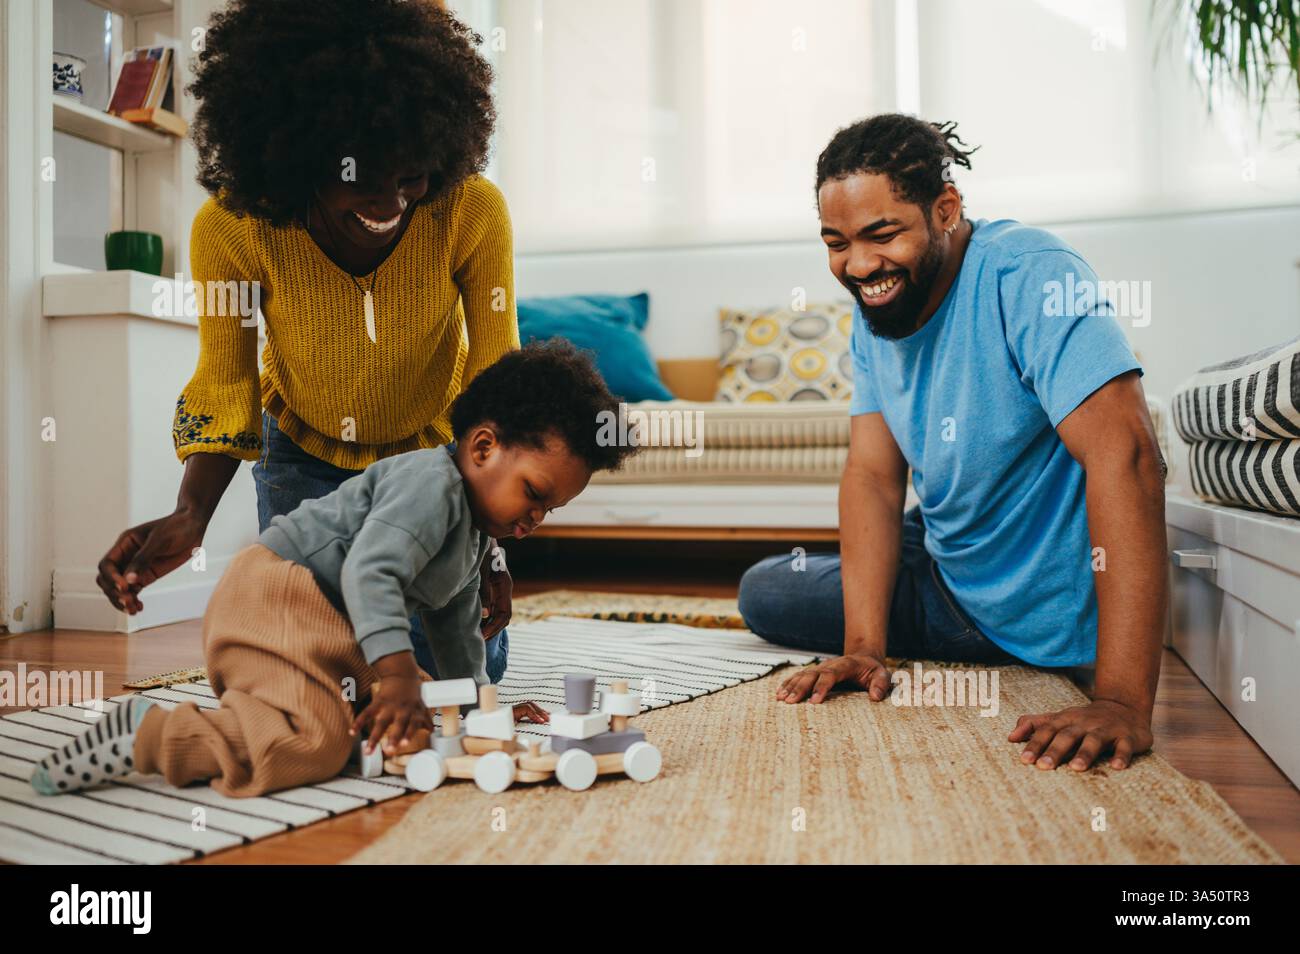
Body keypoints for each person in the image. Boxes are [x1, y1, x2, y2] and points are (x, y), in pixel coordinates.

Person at [95, 0, 519, 683]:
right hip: (304, 461)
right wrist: (189, 515)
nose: (390, 205)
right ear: (289, 159)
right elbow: (227, 385)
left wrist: (488, 547)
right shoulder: (234, 228)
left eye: (409, 175)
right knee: (311, 664)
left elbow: (496, 383)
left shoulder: (471, 210)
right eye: (363, 182)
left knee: (460, 674)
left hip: (433, 460)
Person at [739, 114, 1167, 773]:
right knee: (765, 586)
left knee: (773, 593)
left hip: (1008, 593)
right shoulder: (877, 303)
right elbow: (875, 477)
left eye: (881, 235)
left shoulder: (1031, 274)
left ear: (946, 209)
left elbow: (1128, 454)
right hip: (946, 531)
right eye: (836, 242)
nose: (858, 265)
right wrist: (863, 648)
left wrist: (1120, 700)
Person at [33, 343, 638, 798]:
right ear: (483, 448)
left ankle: (298, 706)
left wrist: (480, 706)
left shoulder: (474, 535)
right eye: (534, 493)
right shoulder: (431, 485)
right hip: (278, 598)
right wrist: (397, 673)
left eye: (549, 509)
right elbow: (370, 574)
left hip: (330, 628)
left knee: (421, 716)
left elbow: (456, 632)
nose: (535, 517)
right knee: (315, 743)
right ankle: (149, 731)